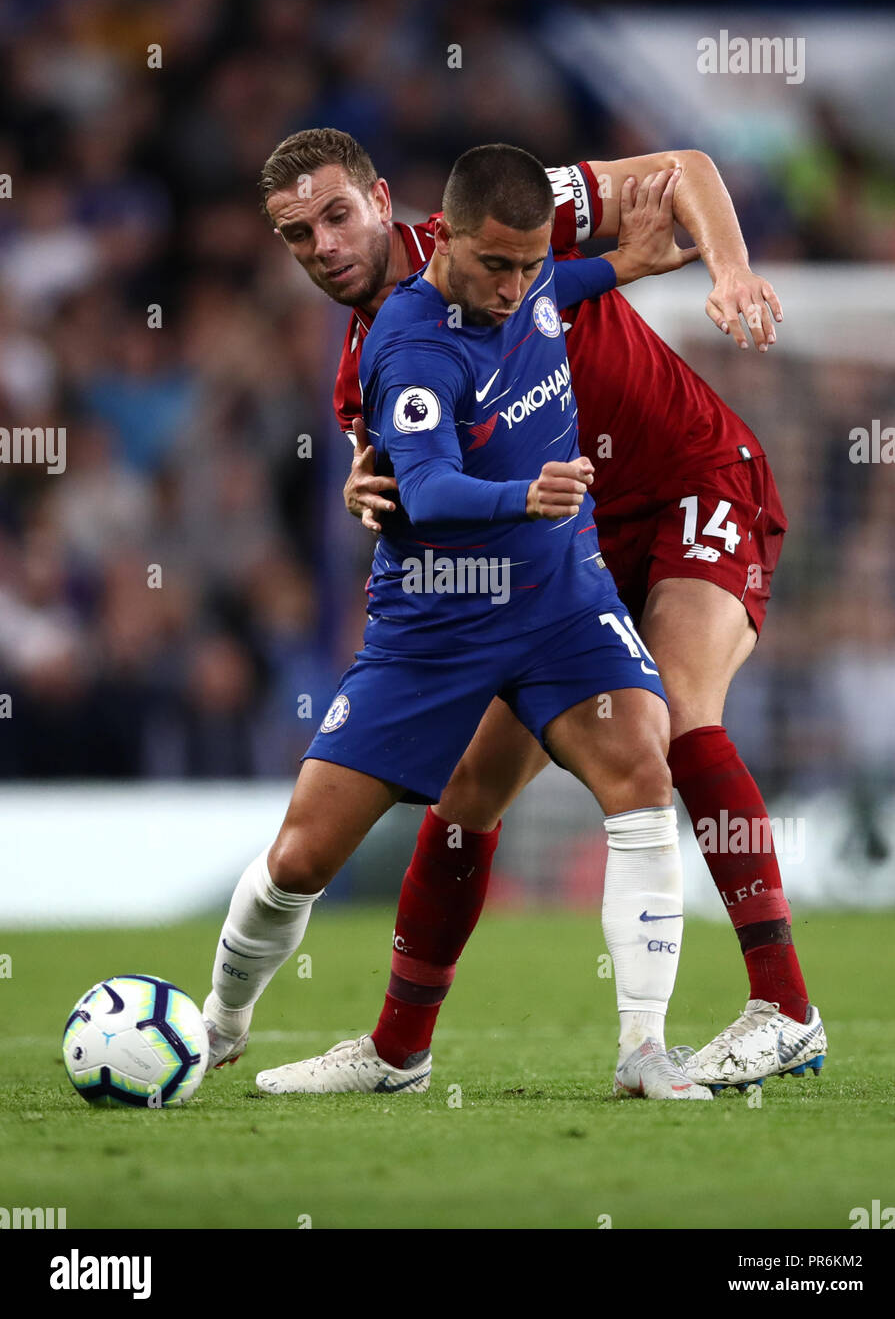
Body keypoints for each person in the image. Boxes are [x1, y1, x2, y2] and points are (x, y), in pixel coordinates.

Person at [214, 128, 825, 1093]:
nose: (326, 245)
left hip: (685, 479)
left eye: (337, 215)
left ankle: (783, 1008)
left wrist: (731, 270)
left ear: (381, 199)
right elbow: (412, 474)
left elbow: (688, 172)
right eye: (299, 235)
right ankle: (397, 1051)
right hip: (555, 553)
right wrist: (369, 492)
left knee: (673, 710)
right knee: (468, 792)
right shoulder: (369, 361)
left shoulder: (501, 206)